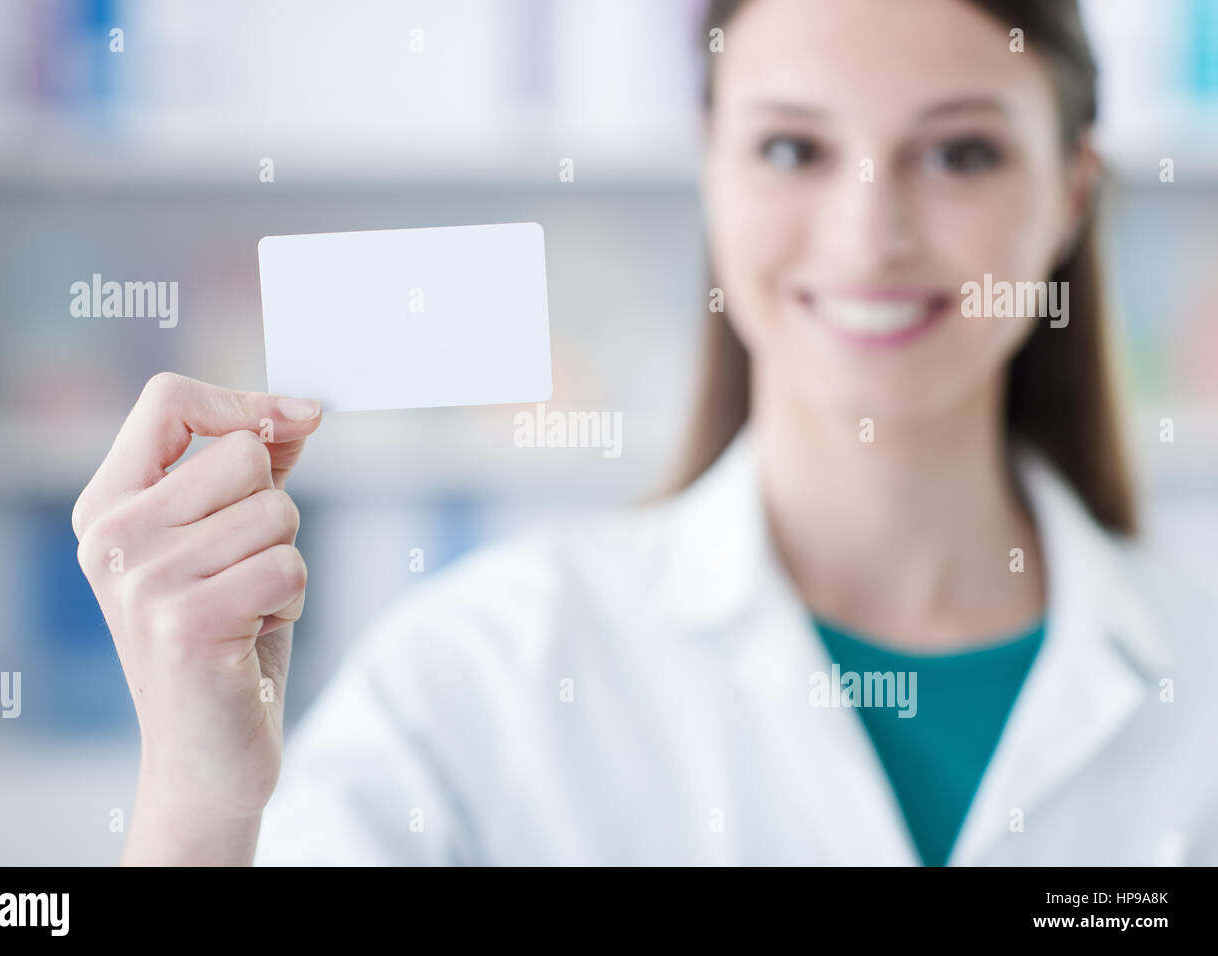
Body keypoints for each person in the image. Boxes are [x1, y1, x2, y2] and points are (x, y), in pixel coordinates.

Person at [72, 0, 1218, 866]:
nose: (870, 234)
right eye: (791, 149)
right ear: (710, 172)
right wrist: (196, 804)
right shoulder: (481, 670)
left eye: (959, 151)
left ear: (1071, 194)